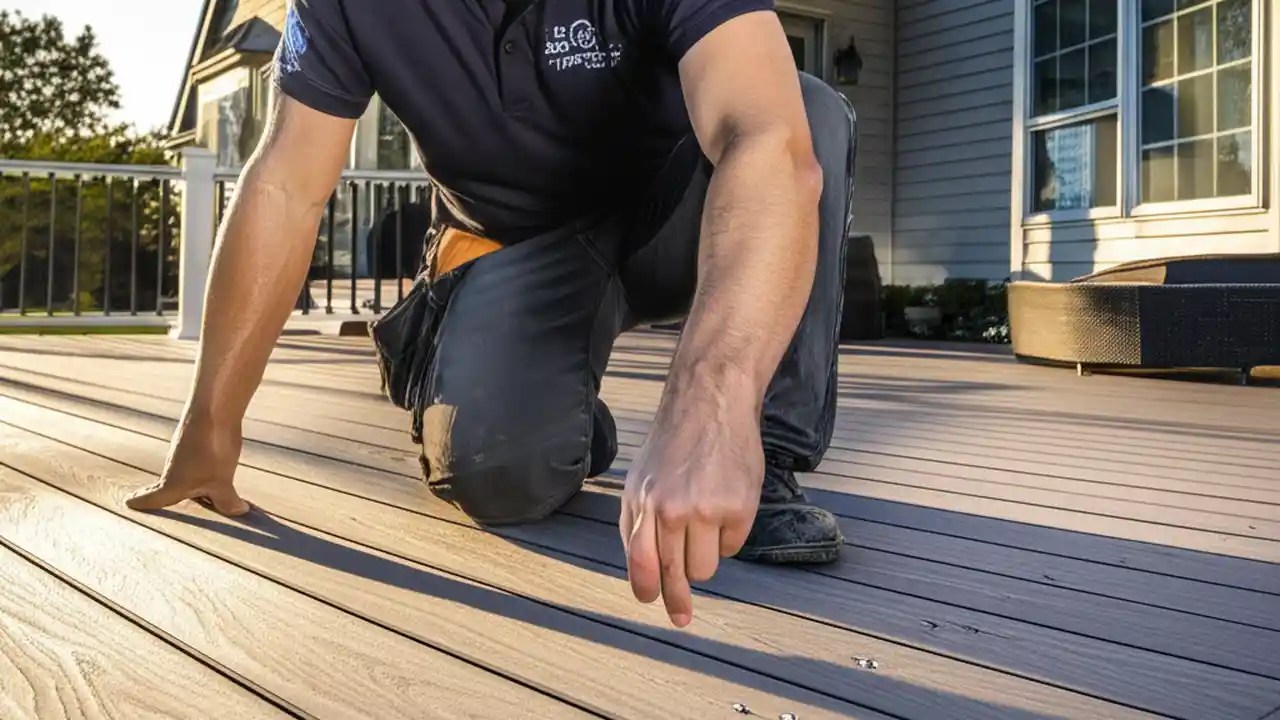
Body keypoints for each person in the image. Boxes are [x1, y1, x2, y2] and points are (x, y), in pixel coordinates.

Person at [127, 0, 857, 628]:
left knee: (800, 109)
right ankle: (561, 413)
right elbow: (286, 185)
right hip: (526, 249)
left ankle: (767, 453)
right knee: (496, 473)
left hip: (684, 217)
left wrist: (710, 400)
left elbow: (768, 140)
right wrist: (210, 423)